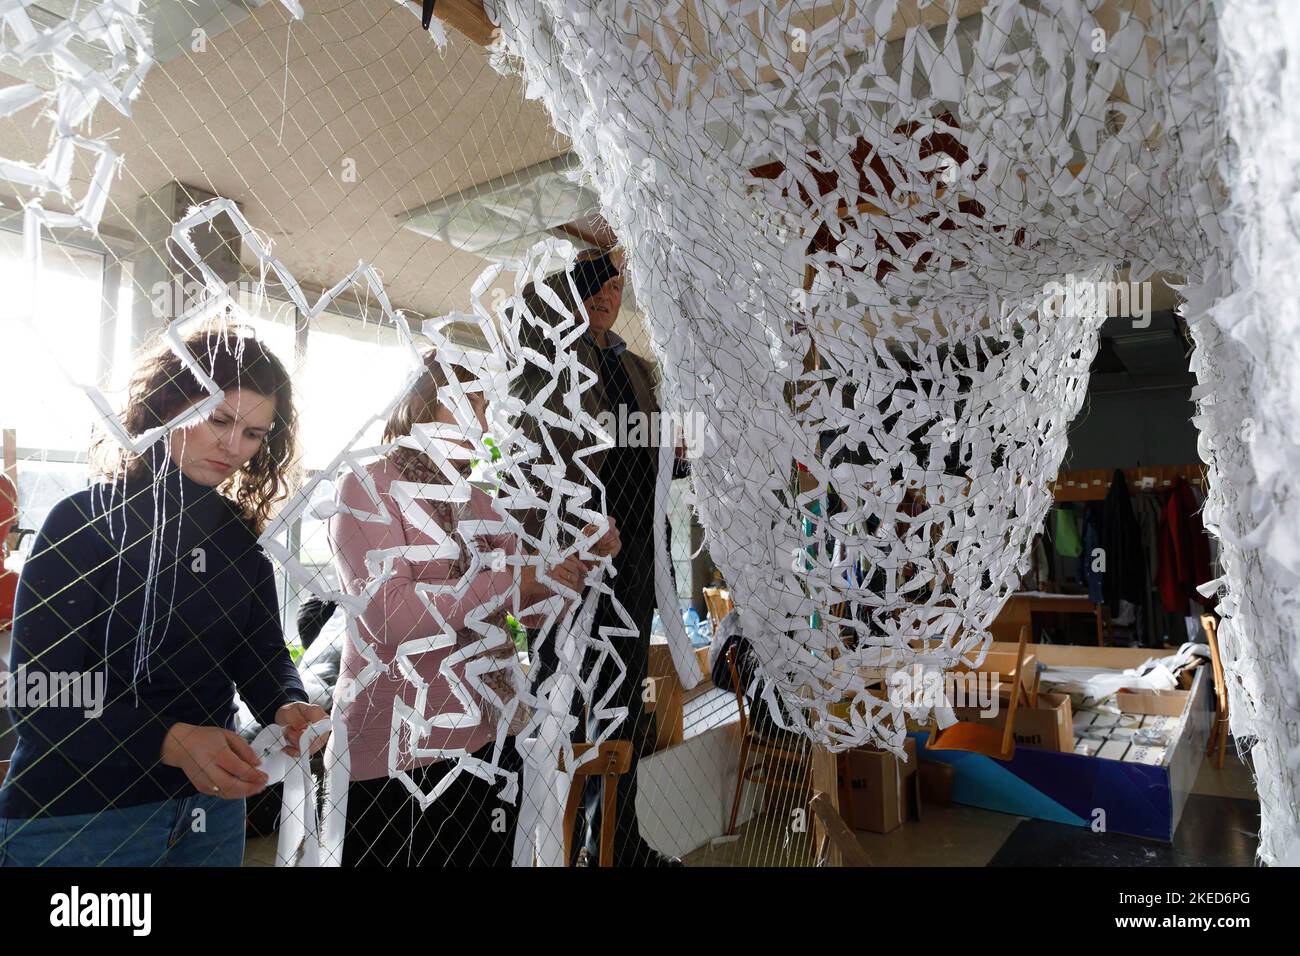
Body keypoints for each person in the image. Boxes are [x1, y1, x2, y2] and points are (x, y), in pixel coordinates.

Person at [0, 328, 326, 867]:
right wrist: (173, 741)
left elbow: (261, 650)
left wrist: (285, 701)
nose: (232, 446)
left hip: (208, 808)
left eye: (253, 434)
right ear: (168, 404)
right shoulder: (85, 522)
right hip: (79, 815)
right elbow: (39, 696)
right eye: (219, 421)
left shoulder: (238, 539)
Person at [329, 350, 618, 867]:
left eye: (482, 409)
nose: (476, 421)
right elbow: (390, 617)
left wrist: (572, 569)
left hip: (488, 741)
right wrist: (512, 585)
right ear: (418, 407)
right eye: (461, 405)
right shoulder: (369, 486)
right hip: (398, 754)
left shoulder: (482, 505)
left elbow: (519, 621)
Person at [514, 247, 687, 867]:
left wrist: (677, 453)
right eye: (593, 287)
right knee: (560, 691)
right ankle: (543, 834)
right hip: (574, 554)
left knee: (620, 697)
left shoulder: (636, 366)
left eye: (615, 286)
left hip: (637, 553)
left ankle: (611, 839)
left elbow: (648, 447)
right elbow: (544, 446)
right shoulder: (550, 353)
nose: (607, 297)